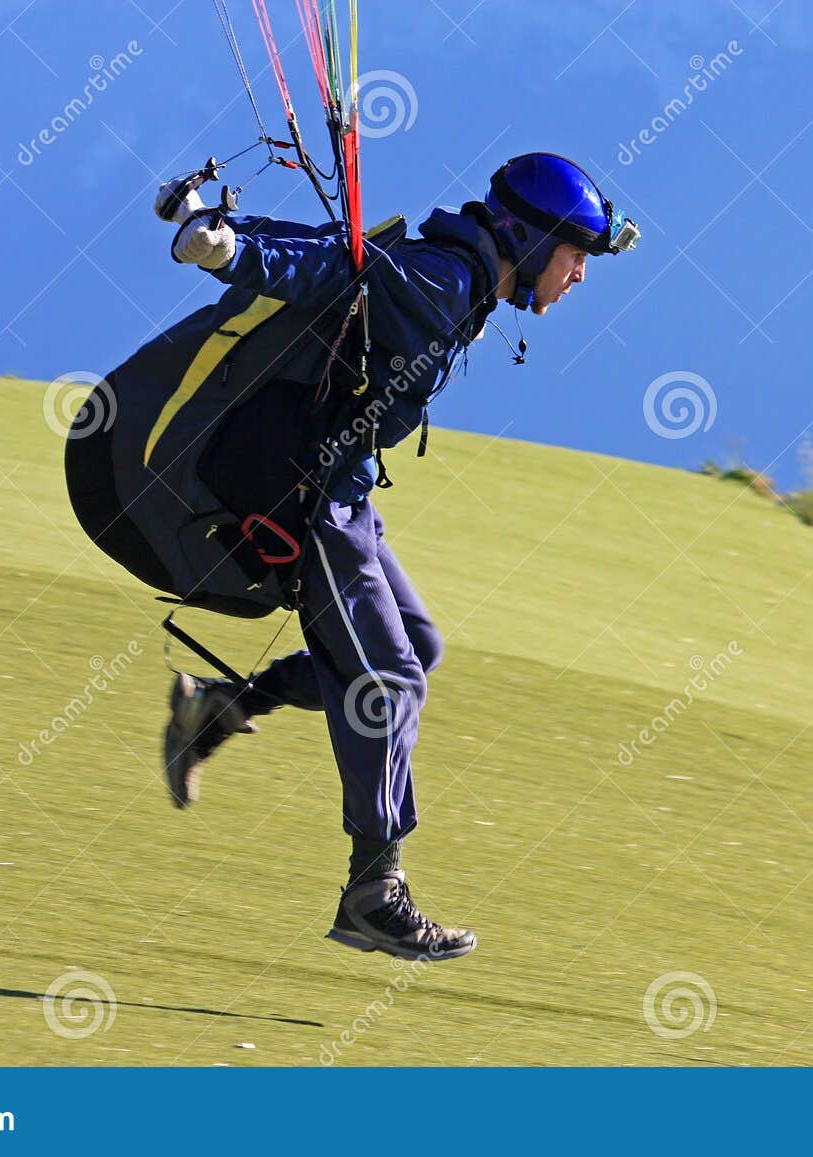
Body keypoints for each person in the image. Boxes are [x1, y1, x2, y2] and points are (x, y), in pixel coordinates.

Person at [153, 153, 639, 961]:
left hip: (343, 493)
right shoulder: (445, 280)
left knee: (417, 649)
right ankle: (373, 892)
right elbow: (335, 272)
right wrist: (231, 254)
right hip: (311, 504)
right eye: (577, 254)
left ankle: (218, 708)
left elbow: (343, 254)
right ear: (530, 239)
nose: (581, 274)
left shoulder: (465, 281)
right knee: (388, 681)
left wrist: (237, 231)